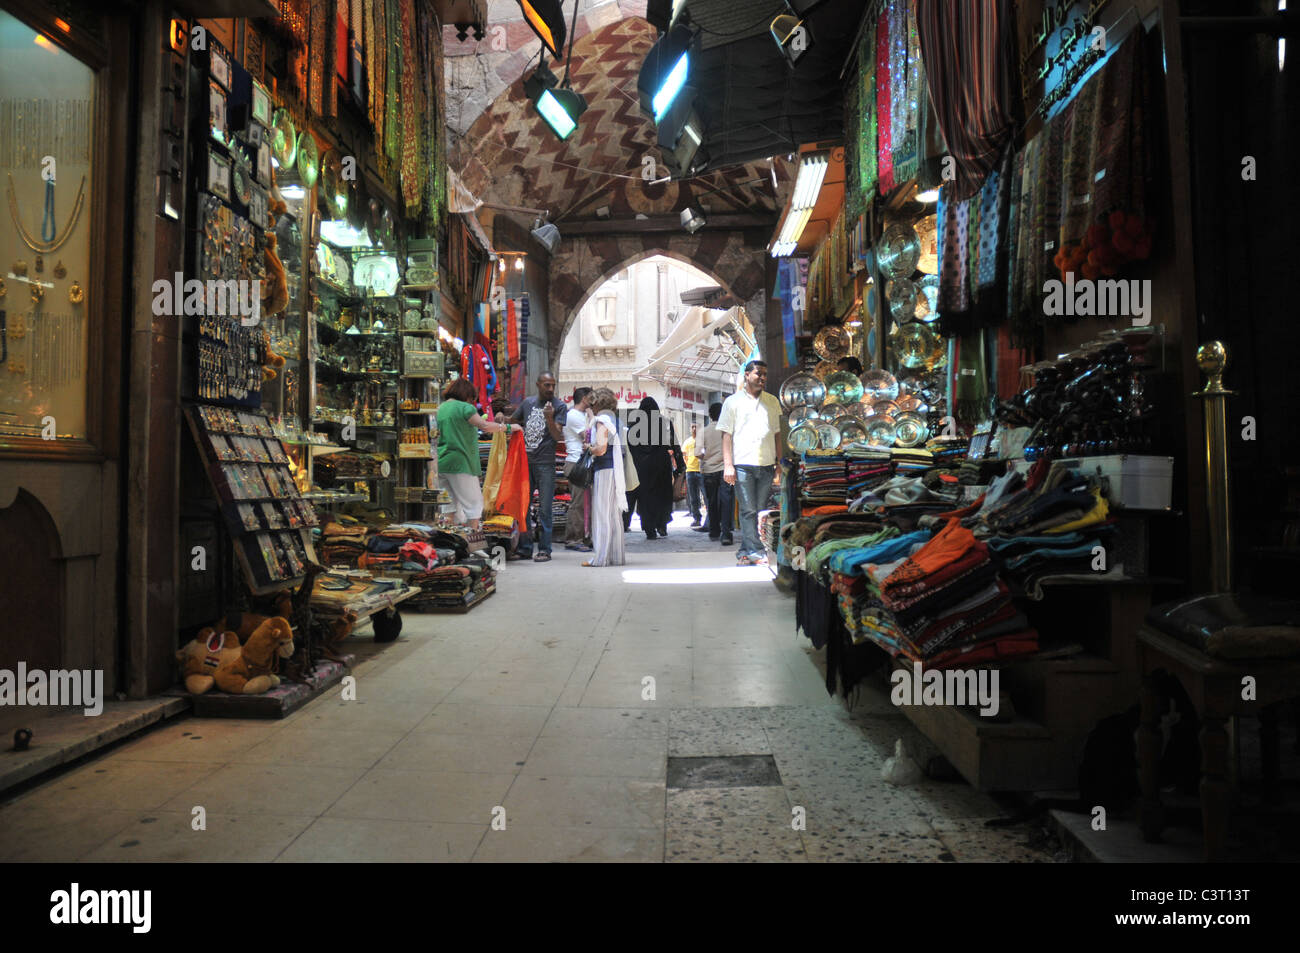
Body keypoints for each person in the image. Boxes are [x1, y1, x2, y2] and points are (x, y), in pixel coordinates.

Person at [719, 359, 782, 565]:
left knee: (760, 509)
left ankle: (746, 551)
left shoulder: (772, 401)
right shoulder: (732, 402)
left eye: (765, 374)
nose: (762, 378)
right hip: (742, 464)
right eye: (758, 374)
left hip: (766, 464)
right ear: (747, 375)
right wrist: (728, 465)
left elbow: (777, 435)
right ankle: (754, 551)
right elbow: (726, 436)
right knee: (748, 510)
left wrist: (779, 464)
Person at [436, 377, 520, 529]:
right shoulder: (465, 408)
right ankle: (474, 543)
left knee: (449, 507)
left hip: (442, 462)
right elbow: (485, 426)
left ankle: (448, 542)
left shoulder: (441, 408)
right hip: (461, 463)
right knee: (474, 505)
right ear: (467, 395)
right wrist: (509, 428)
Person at [510, 371, 567, 562]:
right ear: (538, 384)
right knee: (524, 508)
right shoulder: (528, 403)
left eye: (553, 385)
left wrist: (549, 418)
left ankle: (545, 549)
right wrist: (502, 418)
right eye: (547, 385)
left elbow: (558, 436)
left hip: (545, 464)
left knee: (545, 509)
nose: (551, 389)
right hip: (526, 463)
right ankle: (525, 548)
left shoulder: (559, 406)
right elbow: (514, 420)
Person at [624, 395, 683, 540]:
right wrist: (680, 466)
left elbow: (630, 447)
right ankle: (662, 524)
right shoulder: (664, 423)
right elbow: (674, 446)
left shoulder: (634, 425)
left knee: (646, 499)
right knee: (662, 496)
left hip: (641, 469)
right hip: (661, 467)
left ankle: (649, 528)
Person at [582, 388, 627, 567]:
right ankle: (616, 556)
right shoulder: (616, 420)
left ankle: (601, 558)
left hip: (604, 470)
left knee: (602, 514)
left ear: (597, 404)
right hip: (616, 470)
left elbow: (601, 449)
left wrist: (589, 448)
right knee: (614, 515)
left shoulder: (601, 421)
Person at [691, 402, 733, 546]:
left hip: (709, 470)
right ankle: (726, 533)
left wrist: (707, 456)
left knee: (712, 501)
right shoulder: (728, 430)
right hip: (726, 470)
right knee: (726, 501)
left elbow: (698, 452)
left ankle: (714, 530)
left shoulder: (704, 431)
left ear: (710, 415)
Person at [562, 386, 594, 552]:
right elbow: (589, 437)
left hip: (581, 464)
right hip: (576, 464)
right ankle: (574, 539)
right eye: (591, 397)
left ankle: (584, 537)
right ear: (584, 399)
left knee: (585, 503)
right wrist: (592, 416)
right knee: (579, 504)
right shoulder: (574, 416)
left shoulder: (579, 415)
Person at [682, 423, 704, 527]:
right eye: (692, 427)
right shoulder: (687, 442)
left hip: (702, 471)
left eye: (696, 426)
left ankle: (710, 519)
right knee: (693, 497)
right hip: (690, 471)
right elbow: (684, 455)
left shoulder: (703, 440)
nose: (694, 428)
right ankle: (697, 518)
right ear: (690, 429)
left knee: (706, 496)